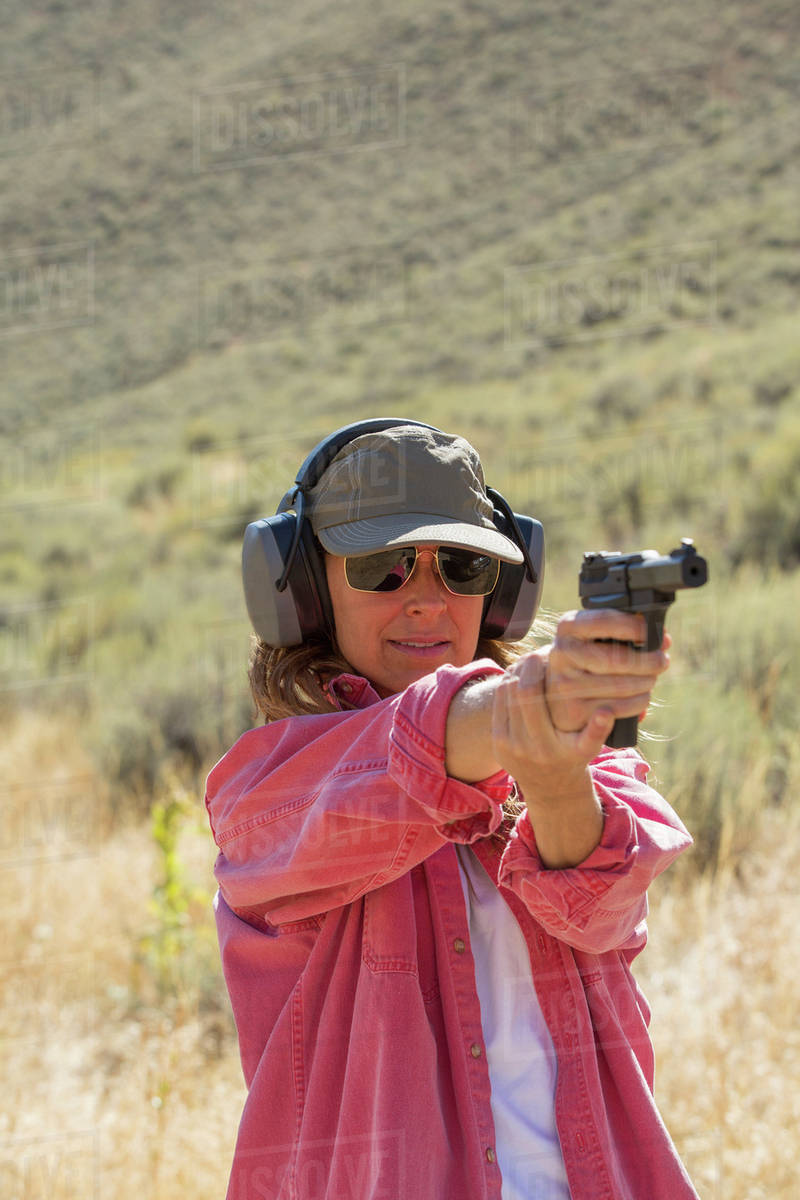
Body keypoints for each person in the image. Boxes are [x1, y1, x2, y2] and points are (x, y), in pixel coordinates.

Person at [205, 420, 699, 1200]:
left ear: (501, 590)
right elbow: (398, 762)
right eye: (382, 567)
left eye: (463, 566)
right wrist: (527, 706)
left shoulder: (572, 748)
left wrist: (557, 770)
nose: (428, 600)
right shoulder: (269, 788)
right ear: (303, 590)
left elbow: (601, 913)